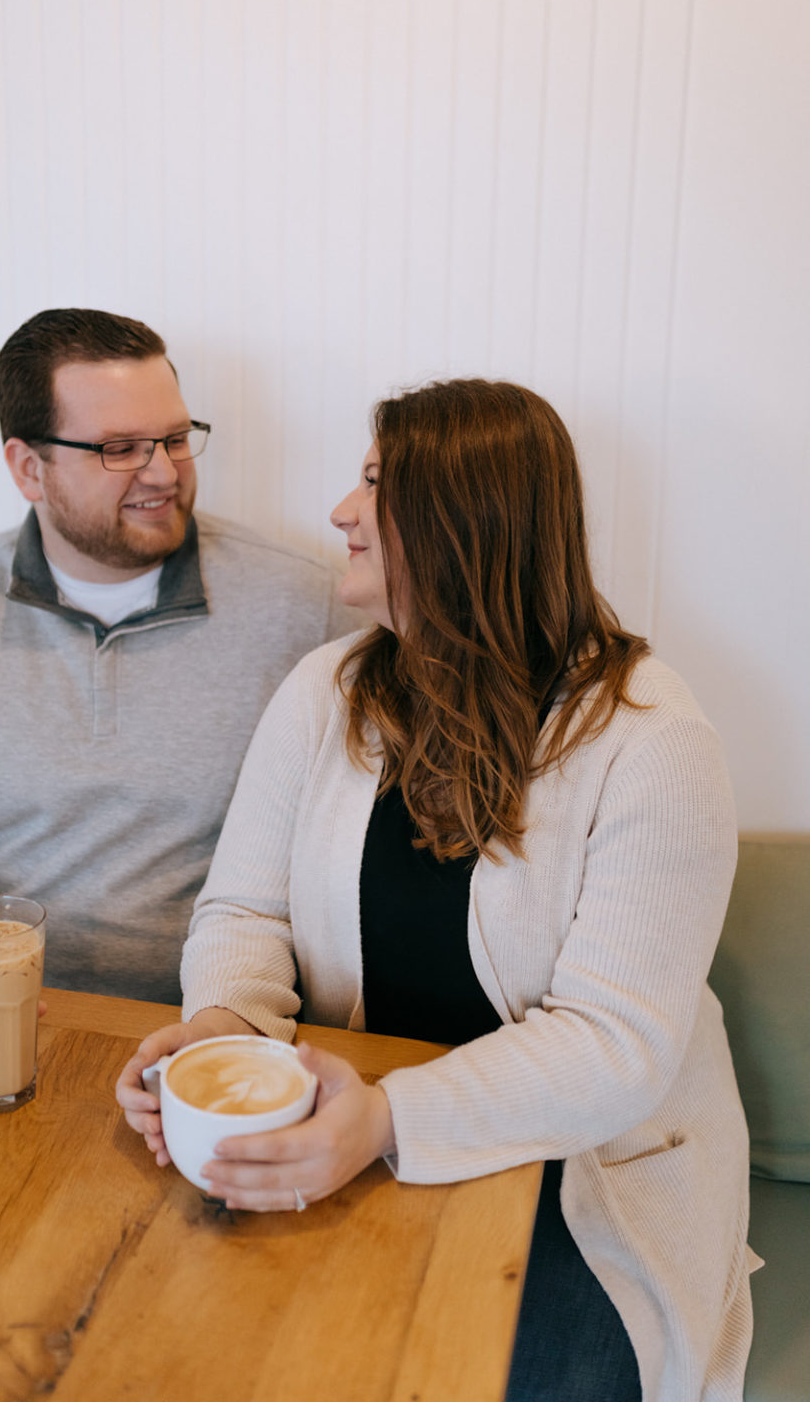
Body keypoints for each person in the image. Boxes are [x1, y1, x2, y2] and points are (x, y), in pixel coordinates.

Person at [118, 378, 755, 1402]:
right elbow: (245, 912)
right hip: (350, 1131)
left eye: (374, 483)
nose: (339, 511)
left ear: (465, 523)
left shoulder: (652, 742)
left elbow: (614, 1048)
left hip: (575, 1173)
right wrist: (223, 1026)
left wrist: (384, 1121)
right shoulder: (325, 694)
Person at [0, 308, 356, 1131]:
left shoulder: (305, 605)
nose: (163, 472)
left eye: (175, 437)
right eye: (119, 448)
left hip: (198, 1034)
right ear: (27, 467)